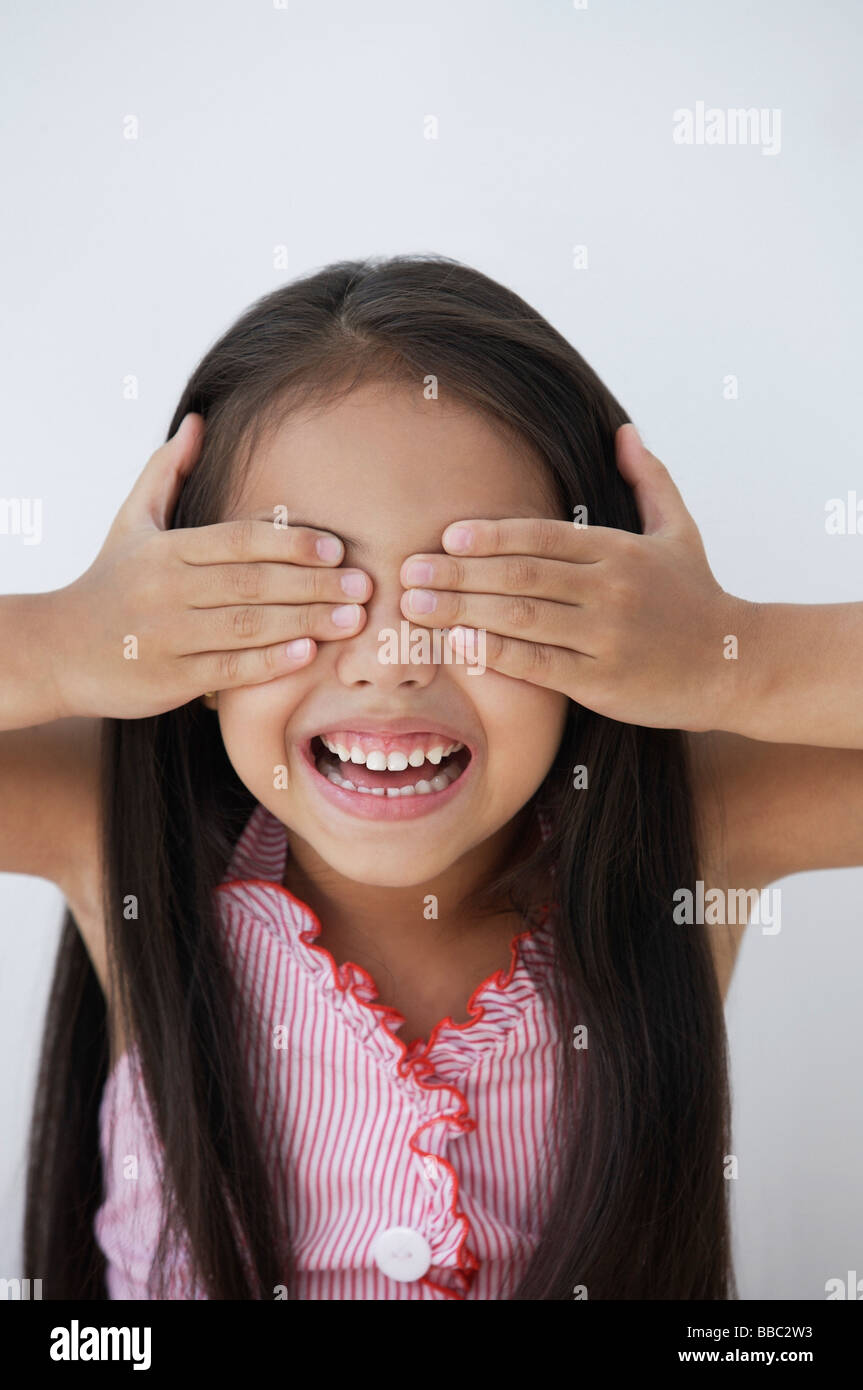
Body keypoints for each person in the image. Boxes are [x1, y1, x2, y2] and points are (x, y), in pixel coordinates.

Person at [4, 255, 861, 1299]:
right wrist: (55, 642)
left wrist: (735, 651)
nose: (393, 657)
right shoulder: (113, 828)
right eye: (295, 591)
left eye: (480, 594)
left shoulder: (682, 835)